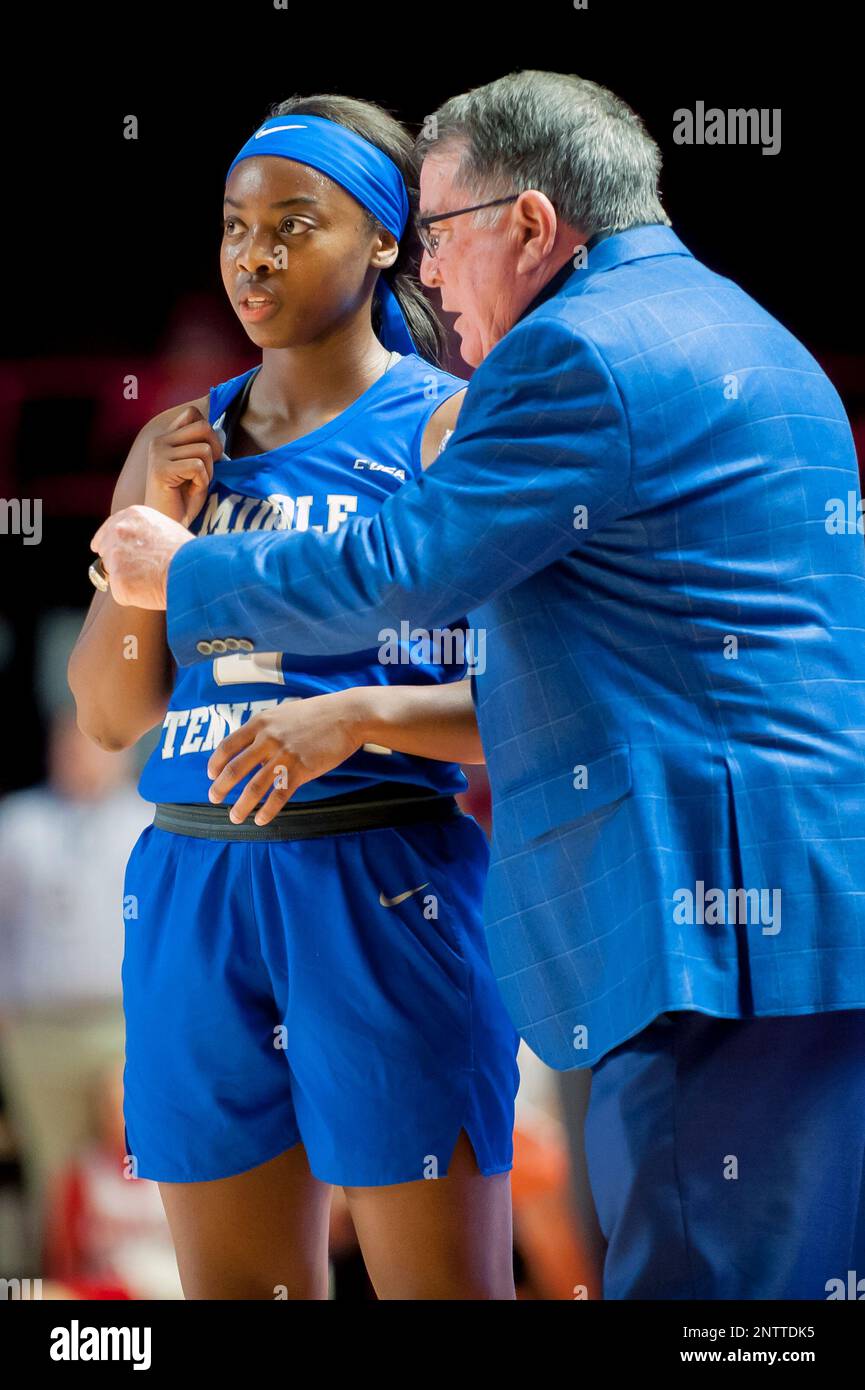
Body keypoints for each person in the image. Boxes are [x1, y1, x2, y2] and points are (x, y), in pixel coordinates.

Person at [94, 70, 865, 1300]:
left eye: (438, 236)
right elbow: (625, 656)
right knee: (786, 1284)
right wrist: (355, 706)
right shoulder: (741, 329)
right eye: (234, 225)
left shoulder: (553, 363)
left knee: (694, 1279)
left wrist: (182, 575)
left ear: (527, 224)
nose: (434, 281)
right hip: (804, 893)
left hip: (660, 901)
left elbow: (406, 569)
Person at [70, 93, 521, 1301]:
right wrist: (153, 532)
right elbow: (110, 718)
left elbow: (538, 704)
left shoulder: (444, 426)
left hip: (379, 874)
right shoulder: (180, 439)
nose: (252, 254)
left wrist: (358, 717)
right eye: (233, 225)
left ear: (382, 239)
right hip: (190, 881)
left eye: (293, 223)